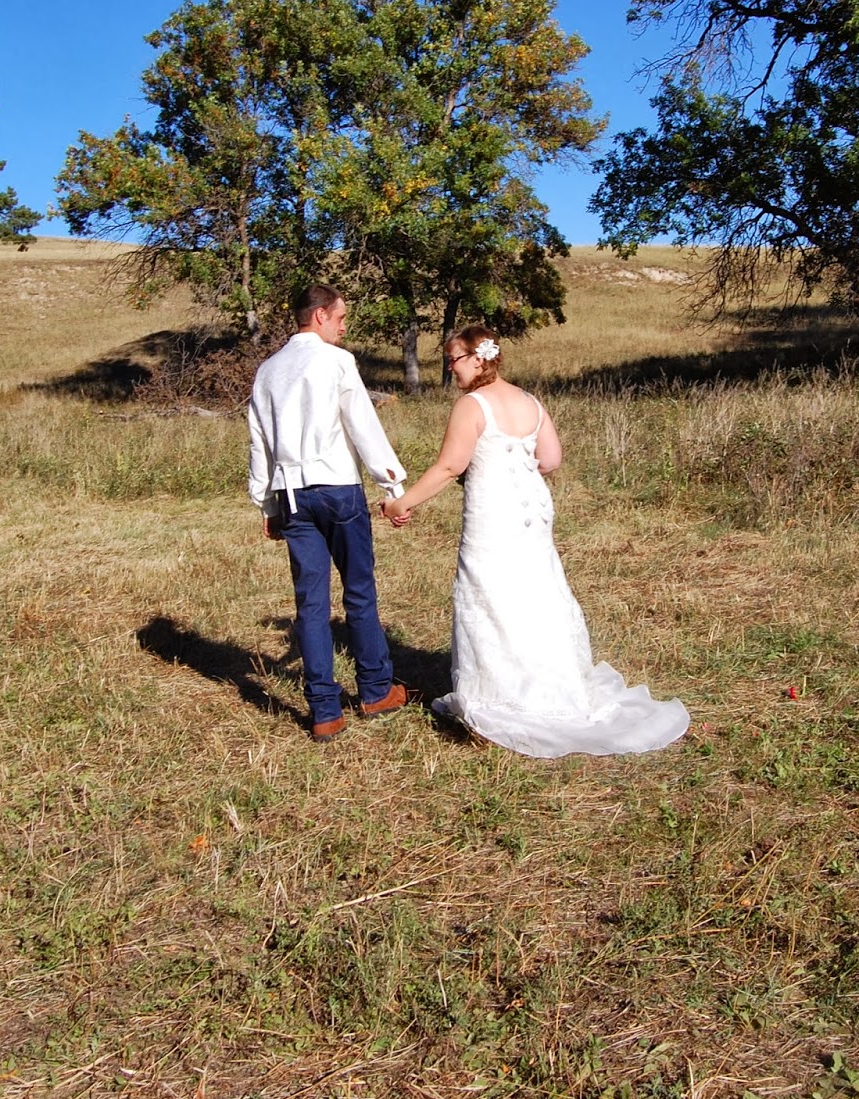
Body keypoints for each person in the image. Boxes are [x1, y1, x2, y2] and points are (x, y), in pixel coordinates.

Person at [382, 327, 689, 758]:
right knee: (536, 590)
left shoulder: (472, 405)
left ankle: (500, 697)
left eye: (453, 360)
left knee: (489, 592)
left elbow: (451, 466)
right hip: (533, 512)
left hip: (494, 514)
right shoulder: (530, 402)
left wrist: (401, 503)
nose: (450, 370)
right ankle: (550, 683)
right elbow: (551, 459)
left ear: (476, 358)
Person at [249, 284, 410, 742]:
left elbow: (259, 440)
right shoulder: (336, 361)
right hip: (337, 487)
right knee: (359, 590)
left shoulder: (269, 370)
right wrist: (392, 485)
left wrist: (266, 502)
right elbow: (362, 421)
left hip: (292, 496)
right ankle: (376, 689)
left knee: (311, 604)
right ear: (319, 315)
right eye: (340, 317)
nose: (344, 325)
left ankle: (324, 711)